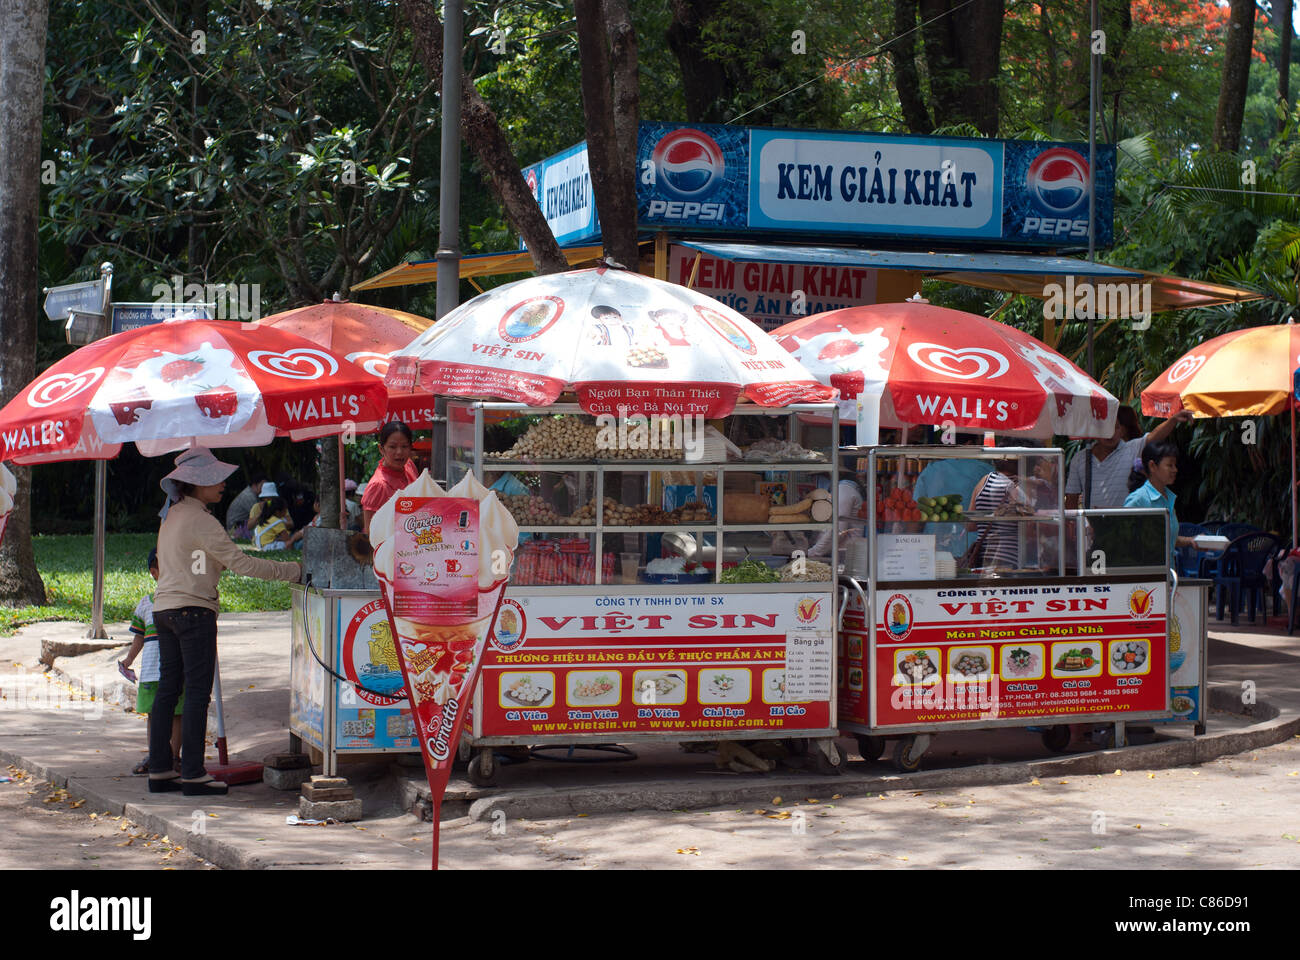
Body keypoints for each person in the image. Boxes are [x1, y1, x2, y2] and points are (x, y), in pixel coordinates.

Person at [149, 447, 302, 796]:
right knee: (197, 694)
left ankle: (160, 769)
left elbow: (199, 560)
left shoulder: (172, 514)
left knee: (169, 689)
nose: (222, 484)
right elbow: (243, 563)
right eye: (214, 479)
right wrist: (292, 570)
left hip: (165, 609)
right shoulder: (201, 519)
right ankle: (192, 772)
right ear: (196, 483)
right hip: (193, 612)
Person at [120, 549, 183, 775]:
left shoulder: (183, 601)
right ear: (154, 573)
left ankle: (174, 757)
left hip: (176, 669)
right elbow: (139, 637)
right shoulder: (145, 604)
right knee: (153, 714)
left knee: (177, 713)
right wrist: (128, 659)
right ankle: (156, 755)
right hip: (150, 671)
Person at [1065, 407, 1193, 509]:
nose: (1111, 433)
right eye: (1105, 428)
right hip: (1090, 532)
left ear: (1122, 430)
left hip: (1124, 528)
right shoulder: (1080, 458)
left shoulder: (1131, 449)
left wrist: (1173, 420)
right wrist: (1071, 529)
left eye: (1115, 427)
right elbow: (1071, 498)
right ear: (1095, 431)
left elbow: (1154, 437)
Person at [1123, 440, 1196, 563]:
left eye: (1175, 465)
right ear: (1152, 466)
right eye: (1170, 465)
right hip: (1147, 577)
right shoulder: (1138, 500)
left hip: (1168, 575)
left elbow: (1168, 538)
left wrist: (1191, 541)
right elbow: (1123, 539)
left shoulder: (1169, 497)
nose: (1175, 470)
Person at [362, 421, 418, 535]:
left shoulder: (409, 466)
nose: (399, 452)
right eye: (392, 447)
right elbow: (370, 533)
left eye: (404, 446)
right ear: (381, 449)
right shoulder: (378, 485)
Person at [809, 472, 868, 558]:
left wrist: (813, 552)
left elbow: (837, 531)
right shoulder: (843, 489)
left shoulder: (843, 490)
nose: (814, 480)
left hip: (842, 556)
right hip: (838, 554)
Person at [225, 470, 265, 539]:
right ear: (254, 485)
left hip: (240, 525)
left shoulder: (252, 494)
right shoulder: (249, 496)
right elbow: (259, 515)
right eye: (262, 486)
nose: (264, 489)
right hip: (235, 529)